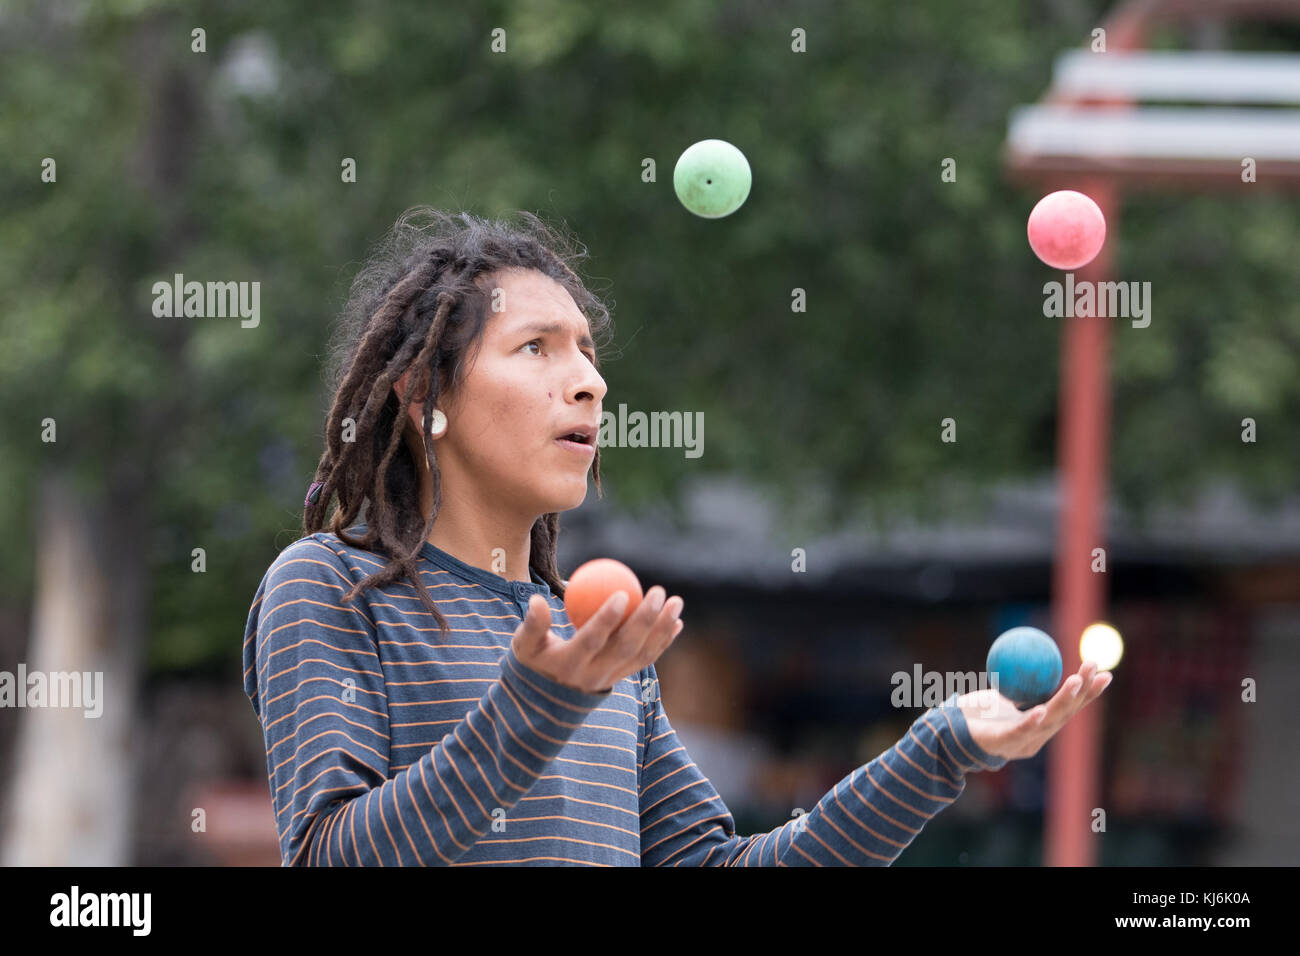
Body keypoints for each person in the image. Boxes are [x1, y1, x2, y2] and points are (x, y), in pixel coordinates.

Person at [242, 207, 1111, 866]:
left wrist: (939, 747)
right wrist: (537, 710)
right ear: (423, 395)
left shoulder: (597, 643)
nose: (588, 381)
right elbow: (329, 853)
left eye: (586, 350)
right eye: (536, 348)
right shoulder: (326, 587)